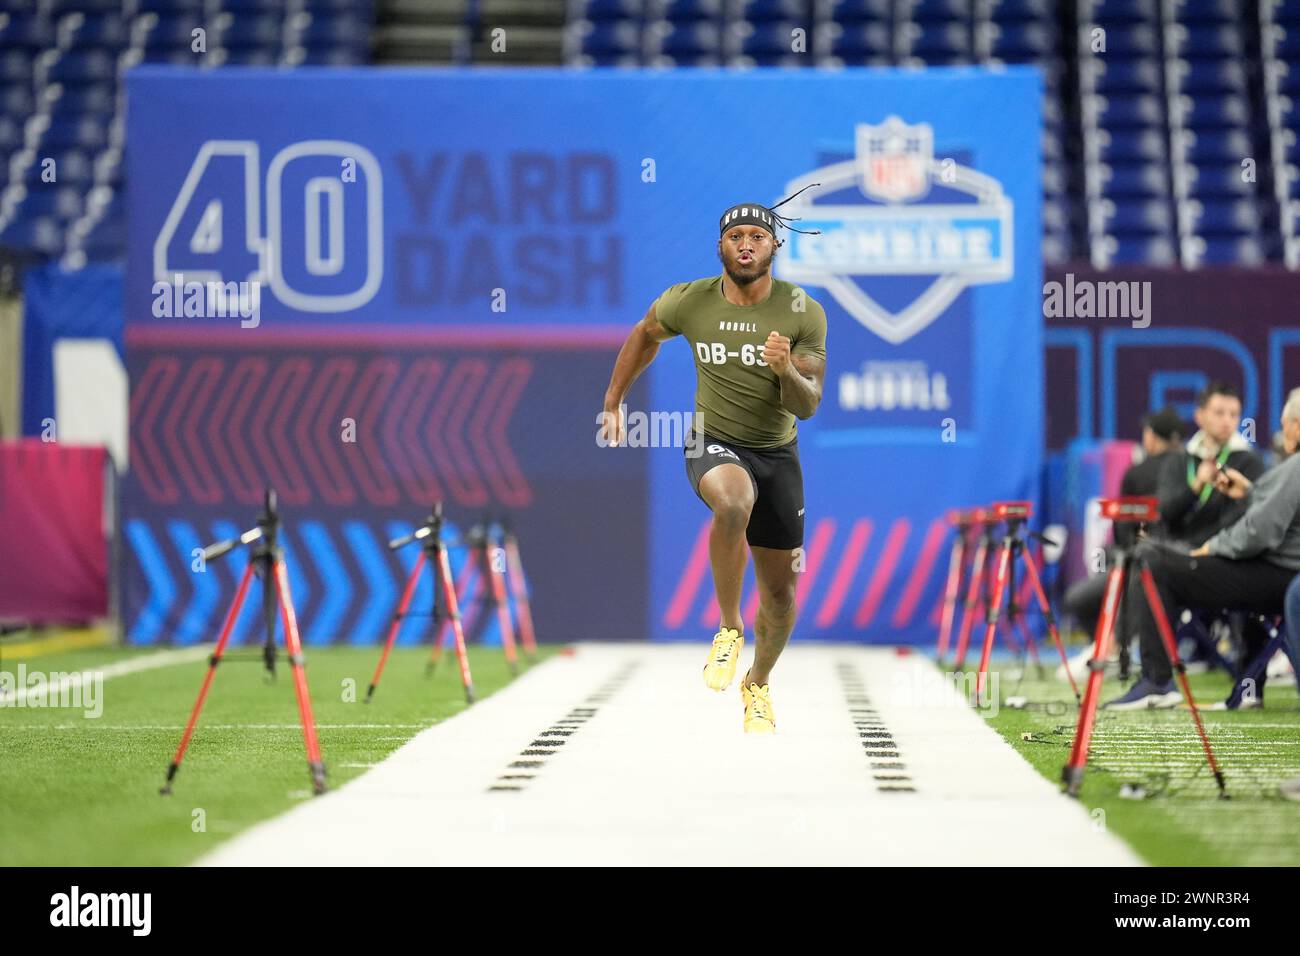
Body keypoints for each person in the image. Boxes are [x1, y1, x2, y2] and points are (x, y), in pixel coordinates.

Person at [599, 194, 828, 734]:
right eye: (735, 237)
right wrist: (613, 402)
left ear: (775, 245)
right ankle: (728, 627)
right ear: (720, 246)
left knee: (780, 594)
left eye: (756, 237)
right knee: (731, 502)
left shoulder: (803, 311)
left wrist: (784, 371)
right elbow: (644, 334)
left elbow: (807, 404)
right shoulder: (690, 301)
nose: (745, 245)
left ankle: (758, 684)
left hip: (777, 452)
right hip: (713, 439)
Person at [1110, 391, 1300, 710]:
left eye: (1285, 425)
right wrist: (1250, 494)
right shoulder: (1180, 460)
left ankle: (1157, 681)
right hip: (1274, 570)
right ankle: (1247, 685)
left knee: (1151, 560)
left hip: (1273, 573)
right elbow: (1279, 517)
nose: (1282, 434)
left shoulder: (1287, 465)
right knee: (1156, 555)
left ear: (1297, 425)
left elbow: (1258, 531)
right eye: (1218, 412)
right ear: (1200, 416)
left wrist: (1213, 547)